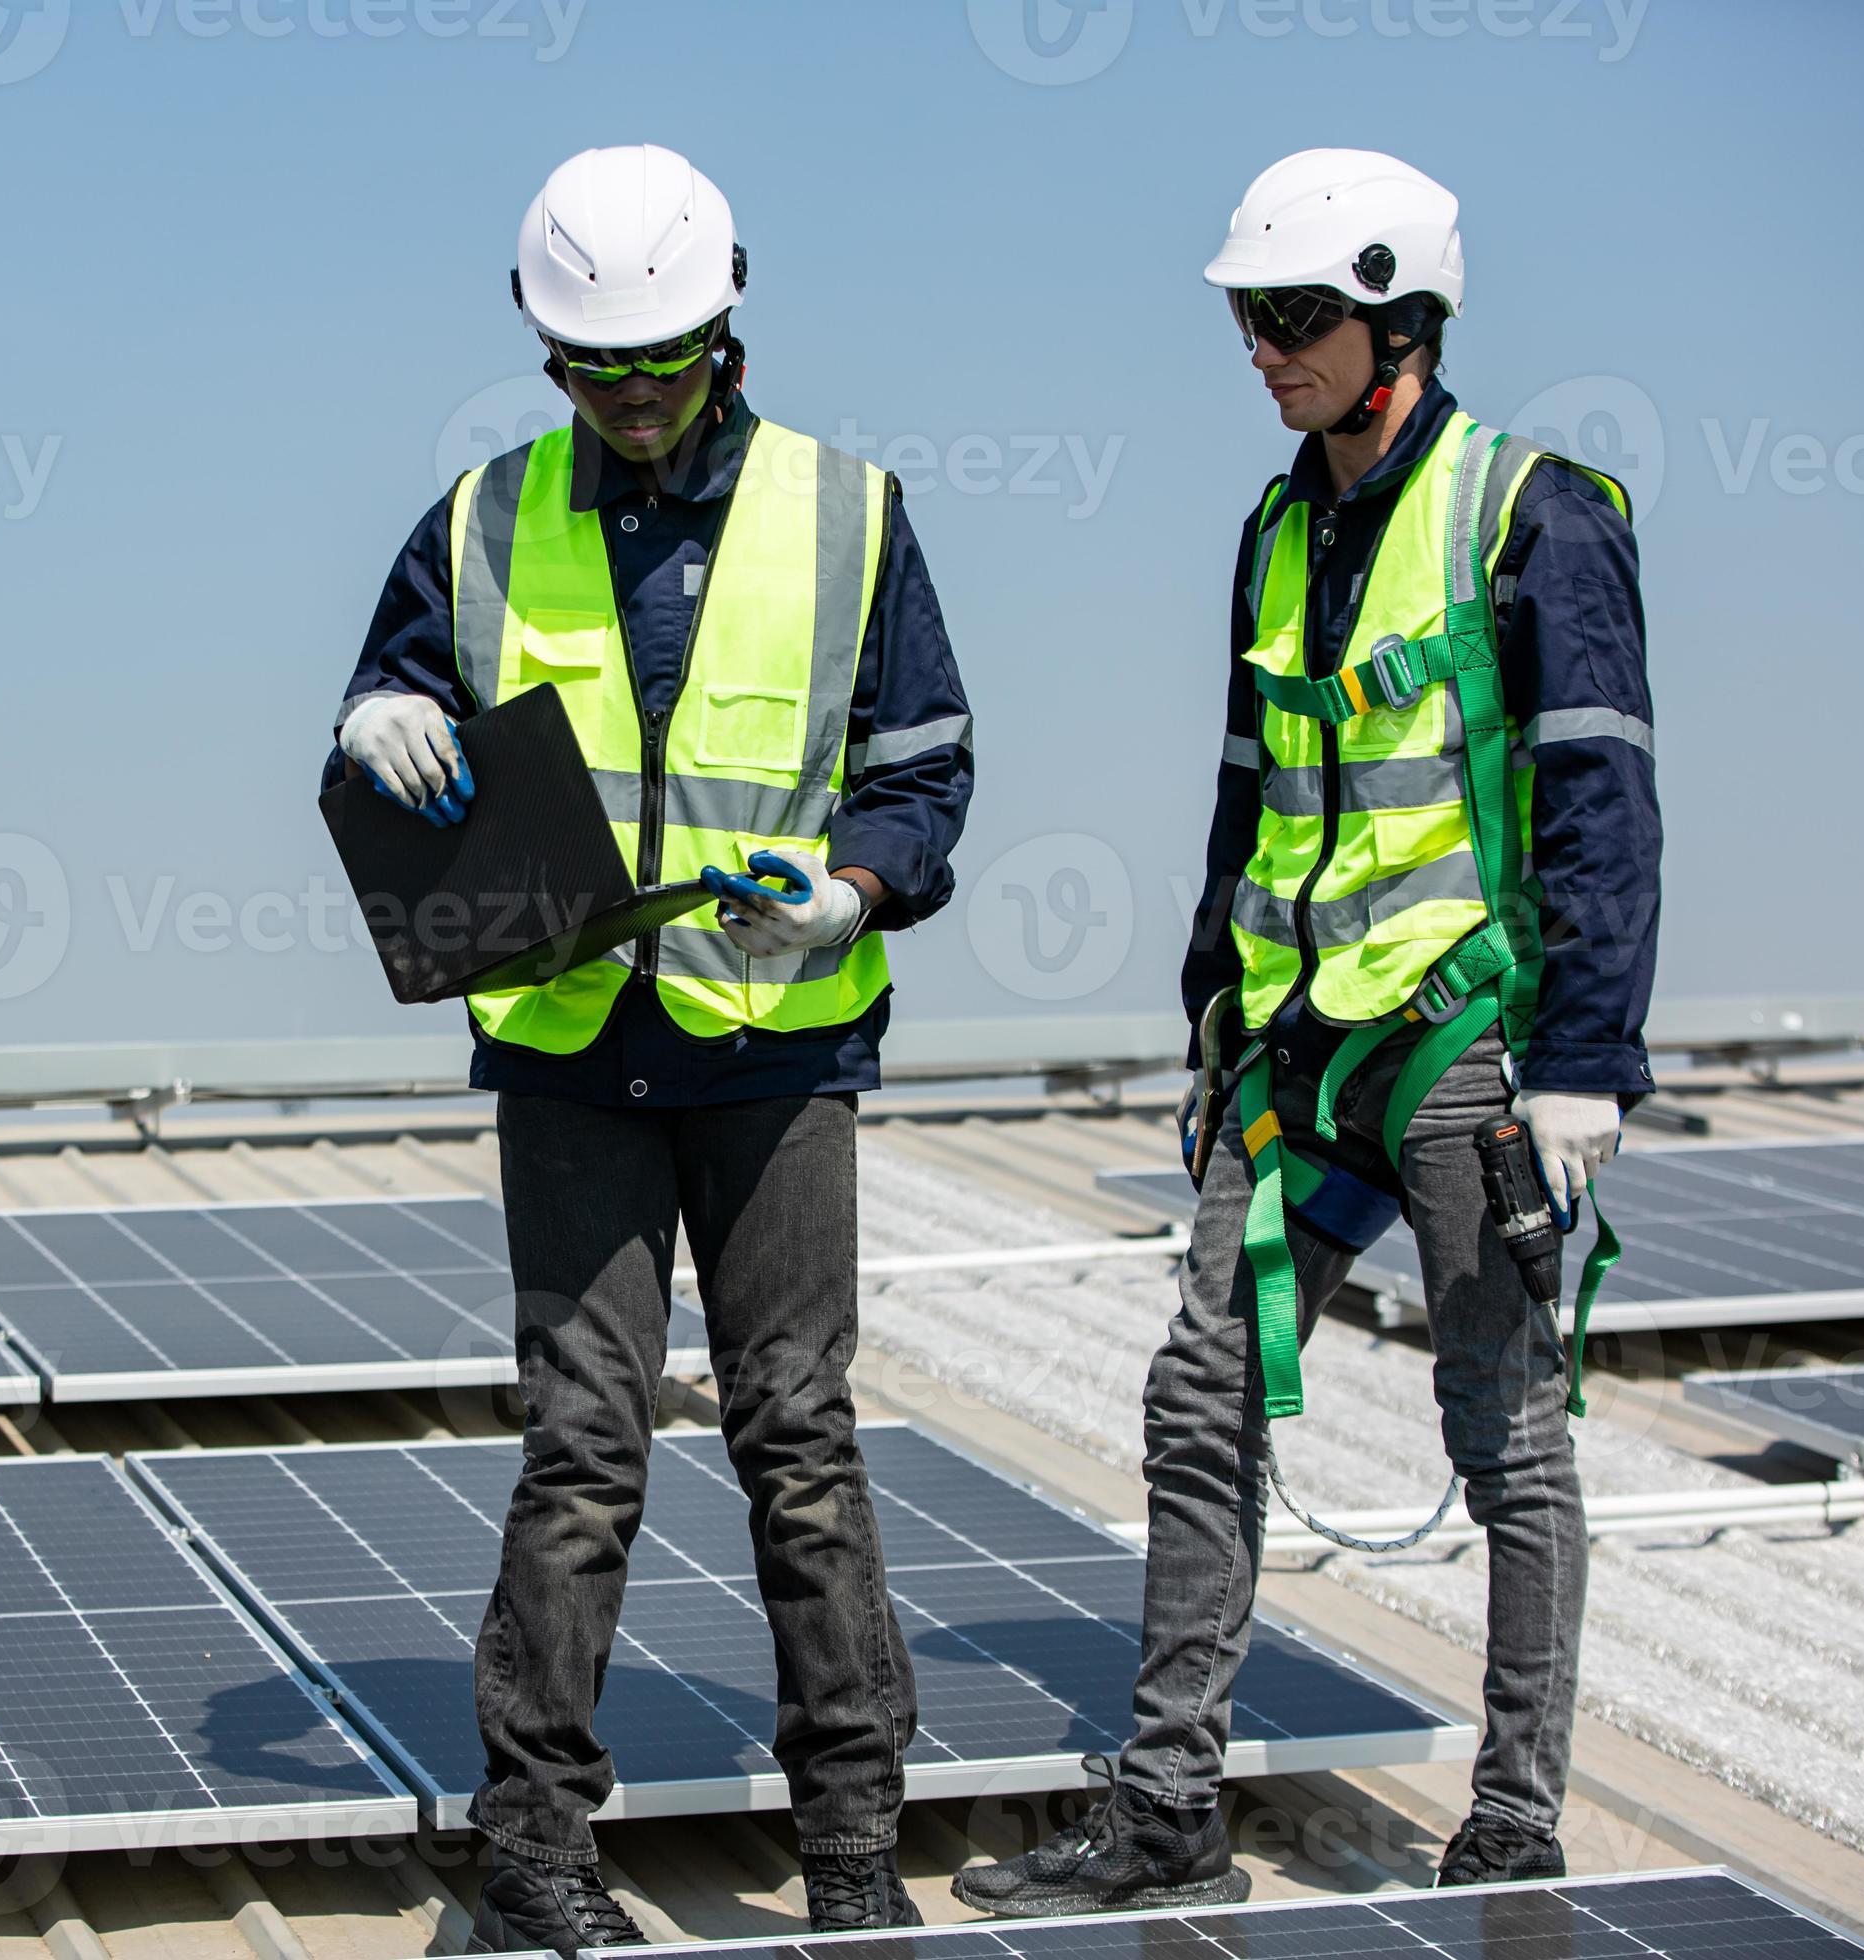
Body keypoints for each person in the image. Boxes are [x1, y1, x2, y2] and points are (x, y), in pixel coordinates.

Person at [955, 149, 1660, 1915]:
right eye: (1244, 319)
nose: (1260, 349)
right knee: (1201, 1396)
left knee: (1503, 1428)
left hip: (1461, 1049)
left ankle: (1514, 1811)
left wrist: (1589, 1058)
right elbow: (1246, 798)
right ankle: (1169, 1803)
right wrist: (1210, 1016)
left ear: (1399, 320)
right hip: (1291, 1058)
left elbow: (1603, 805)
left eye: (1292, 319)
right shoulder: (1276, 531)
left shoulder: (1532, 513)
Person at [325, 143, 976, 1956]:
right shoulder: (477, 519)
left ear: (729, 325)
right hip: (569, 1044)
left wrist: (853, 890)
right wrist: (381, 713)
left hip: (773, 1052)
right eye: (589, 371)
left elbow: (924, 771)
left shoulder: (850, 513)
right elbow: (394, 692)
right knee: (582, 1445)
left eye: (655, 366)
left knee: (797, 1434)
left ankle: (853, 1845)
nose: (623, 401)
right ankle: (534, 1856)